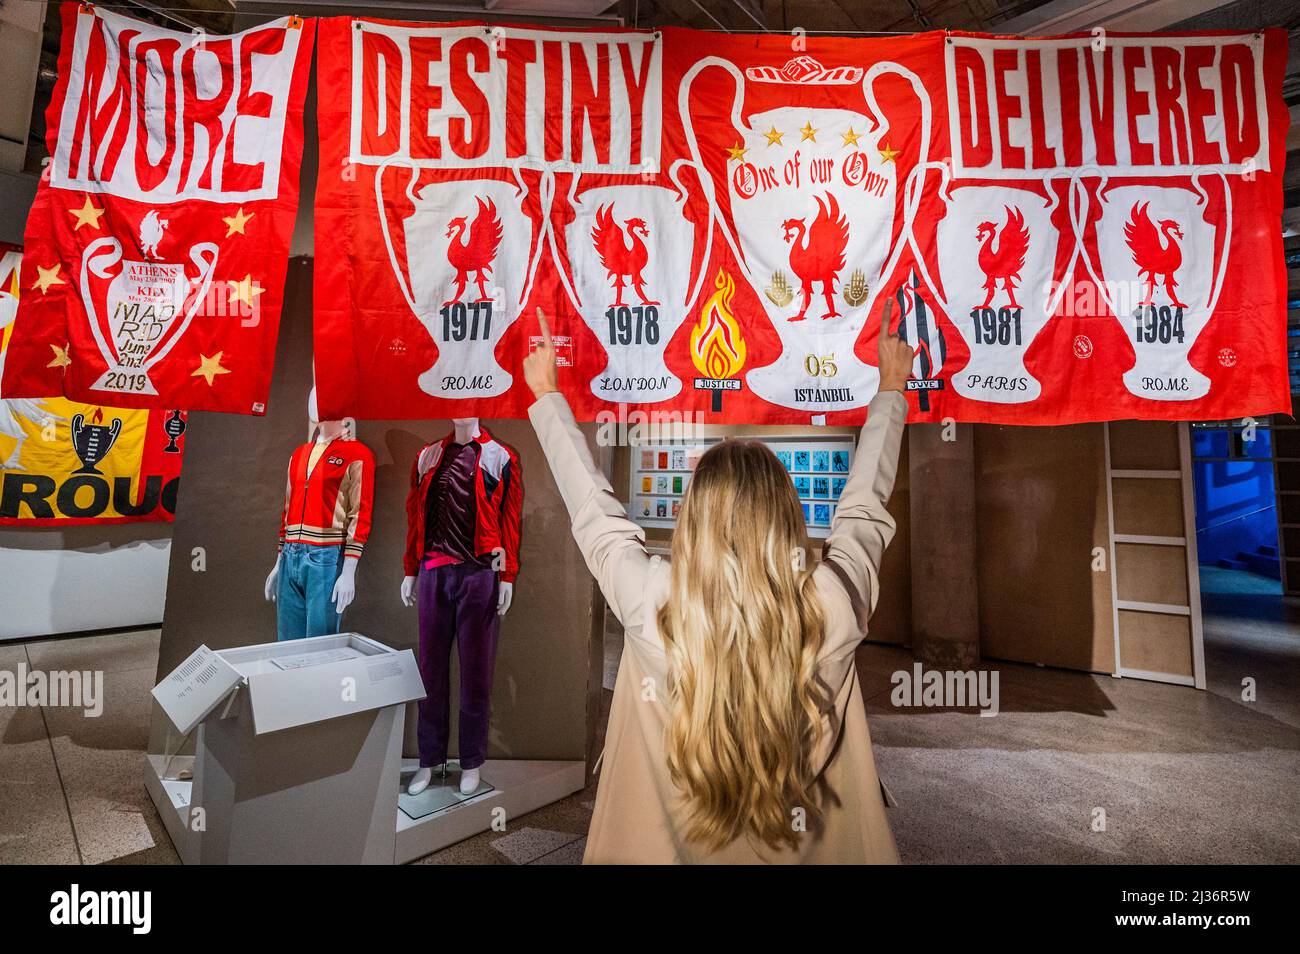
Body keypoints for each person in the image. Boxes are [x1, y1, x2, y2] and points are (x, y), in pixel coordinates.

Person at [523, 310, 914, 864]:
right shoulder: (834, 602)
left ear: (692, 517)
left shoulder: (652, 601)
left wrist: (547, 396)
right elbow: (865, 510)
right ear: (788, 516)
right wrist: (891, 390)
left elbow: (594, 511)